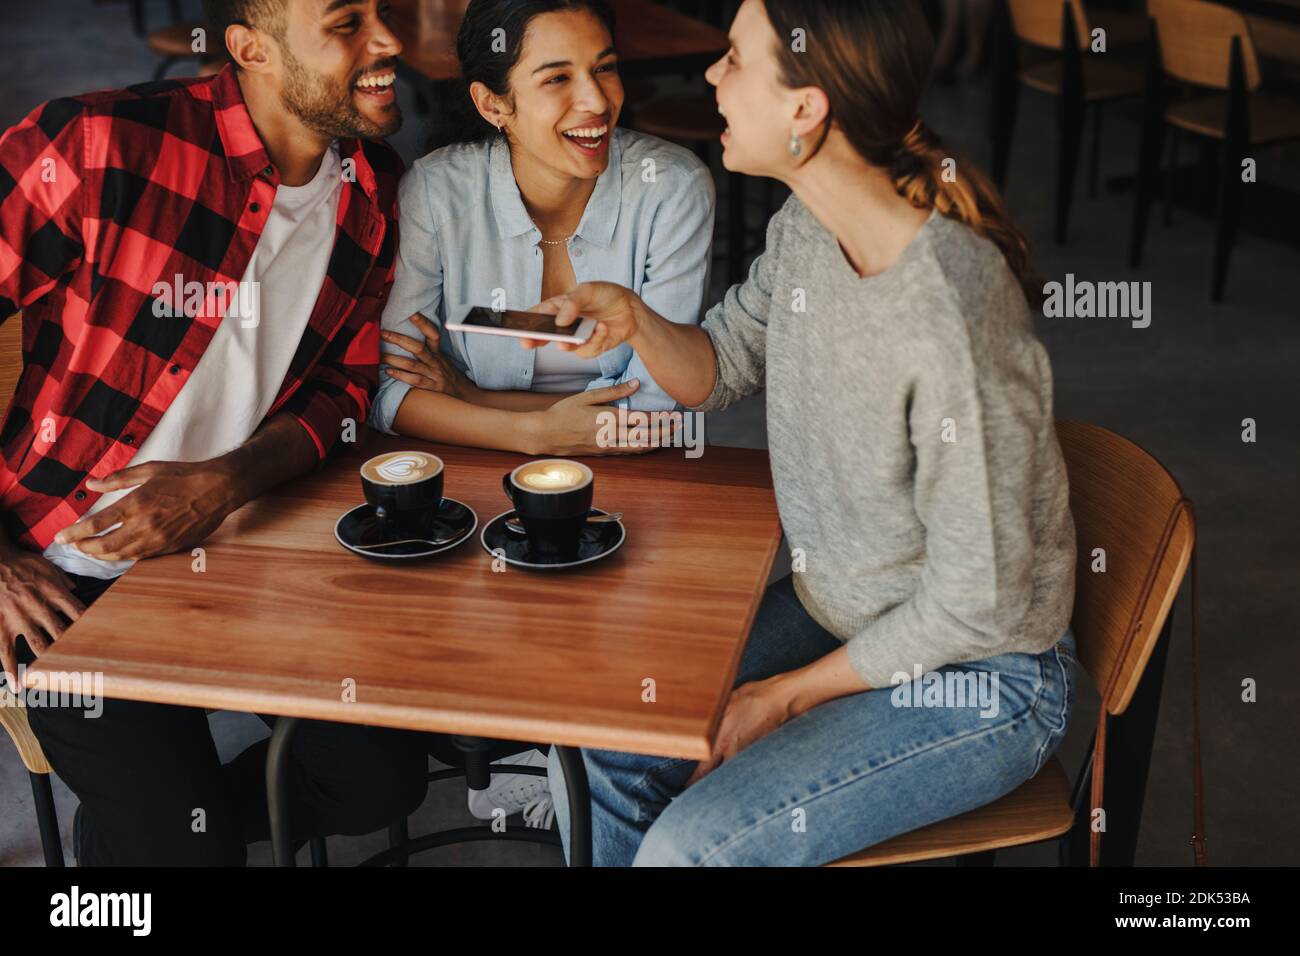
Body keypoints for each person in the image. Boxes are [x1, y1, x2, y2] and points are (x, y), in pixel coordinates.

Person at [540, 0, 1078, 865]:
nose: (712, 75)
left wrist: (783, 697)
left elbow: (978, 601)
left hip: (985, 675)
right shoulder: (806, 227)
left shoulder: (950, 309)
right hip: (846, 613)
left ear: (806, 108)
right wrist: (635, 319)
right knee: (608, 734)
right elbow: (719, 366)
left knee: (690, 850)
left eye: (736, 61)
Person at [0, 0, 429, 864]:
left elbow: (345, 390)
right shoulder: (93, 147)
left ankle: (150, 838)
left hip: (247, 551)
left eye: (389, 12)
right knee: (180, 846)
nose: (390, 43)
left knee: (379, 778)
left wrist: (226, 481)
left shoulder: (372, 193)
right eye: (347, 21)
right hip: (55, 581)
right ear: (249, 49)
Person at [368, 0, 714, 457]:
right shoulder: (435, 193)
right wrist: (534, 433)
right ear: (493, 104)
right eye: (557, 78)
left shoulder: (671, 188)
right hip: (472, 466)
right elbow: (393, 390)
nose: (597, 101)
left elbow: (653, 410)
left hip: (640, 476)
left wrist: (474, 399)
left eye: (604, 68)